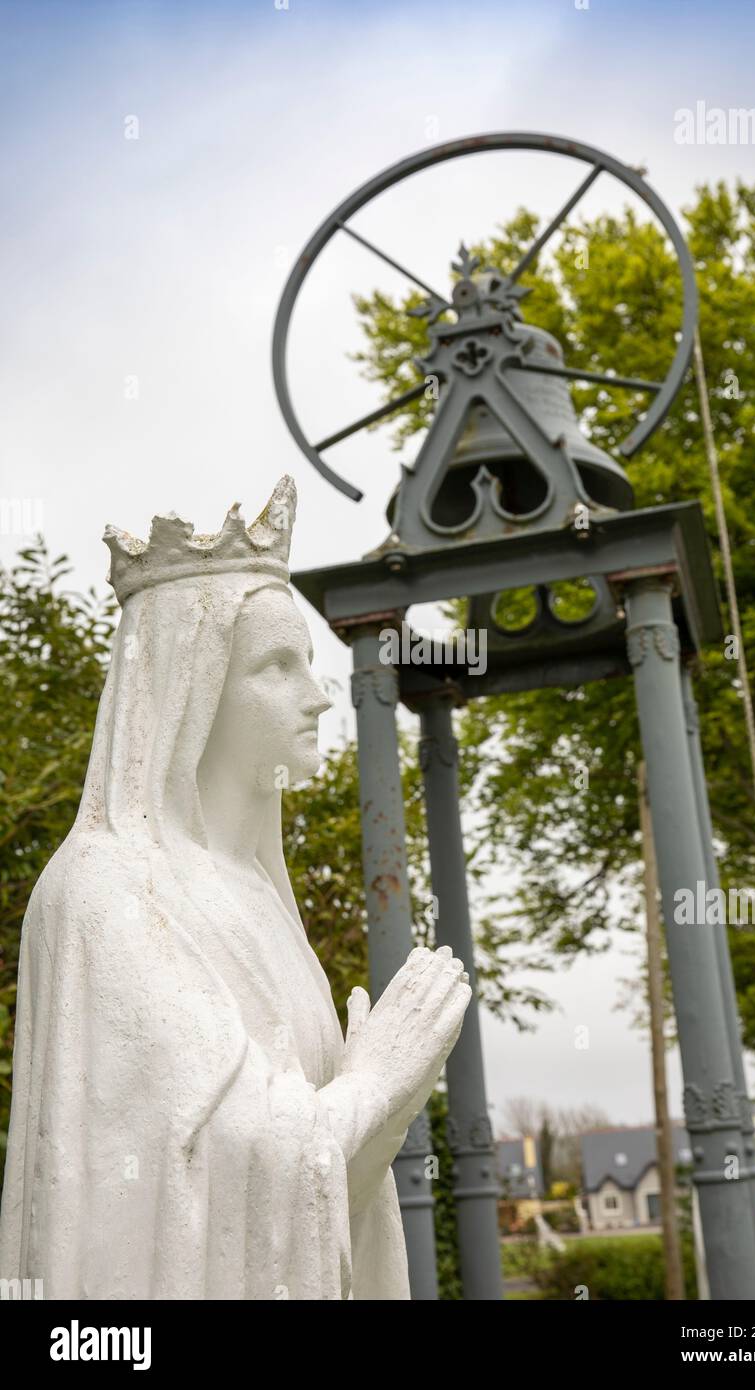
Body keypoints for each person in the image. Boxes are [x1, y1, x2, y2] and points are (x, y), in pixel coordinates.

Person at [0, 476, 470, 1299]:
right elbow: (209, 1177)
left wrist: (378, 1101)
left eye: (310, 665)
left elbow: (310, 1184)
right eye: (276, 667)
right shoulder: (107, 892)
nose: (317, 697)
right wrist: (379, 1081)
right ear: (190, 688)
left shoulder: (255, 893)